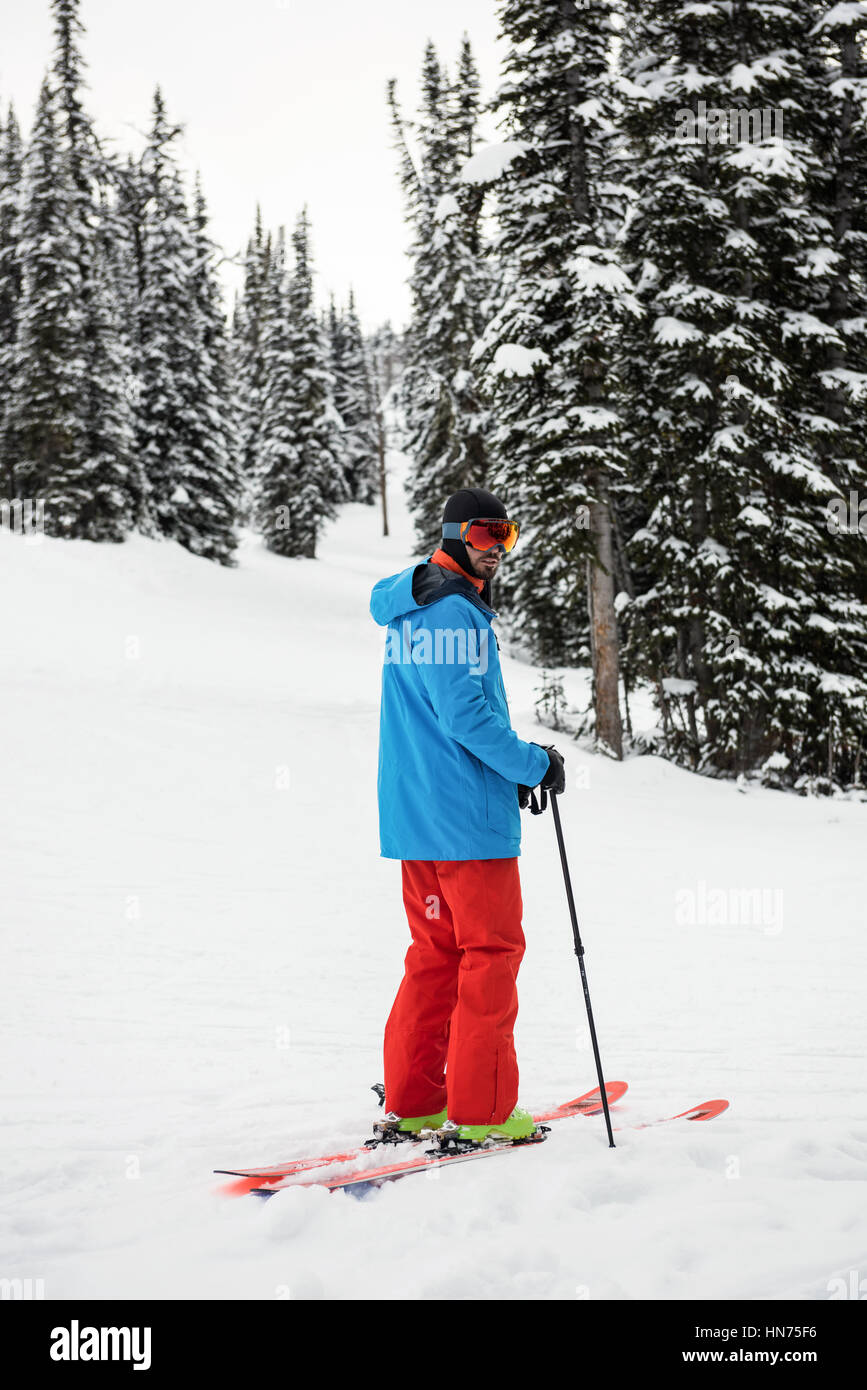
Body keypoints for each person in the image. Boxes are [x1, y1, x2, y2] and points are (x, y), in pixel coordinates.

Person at [368, 486, 565, 1144]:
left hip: (417, 816)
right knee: (489, 953)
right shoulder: (452, 615)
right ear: (454, 536)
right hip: (464, 826)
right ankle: (481, 1111)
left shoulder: (411, 606)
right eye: (484, 535)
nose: (497, 550)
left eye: (506, 536)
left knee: (434, 955)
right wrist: (533, 764)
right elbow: (466, 719)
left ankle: (417, 1101)